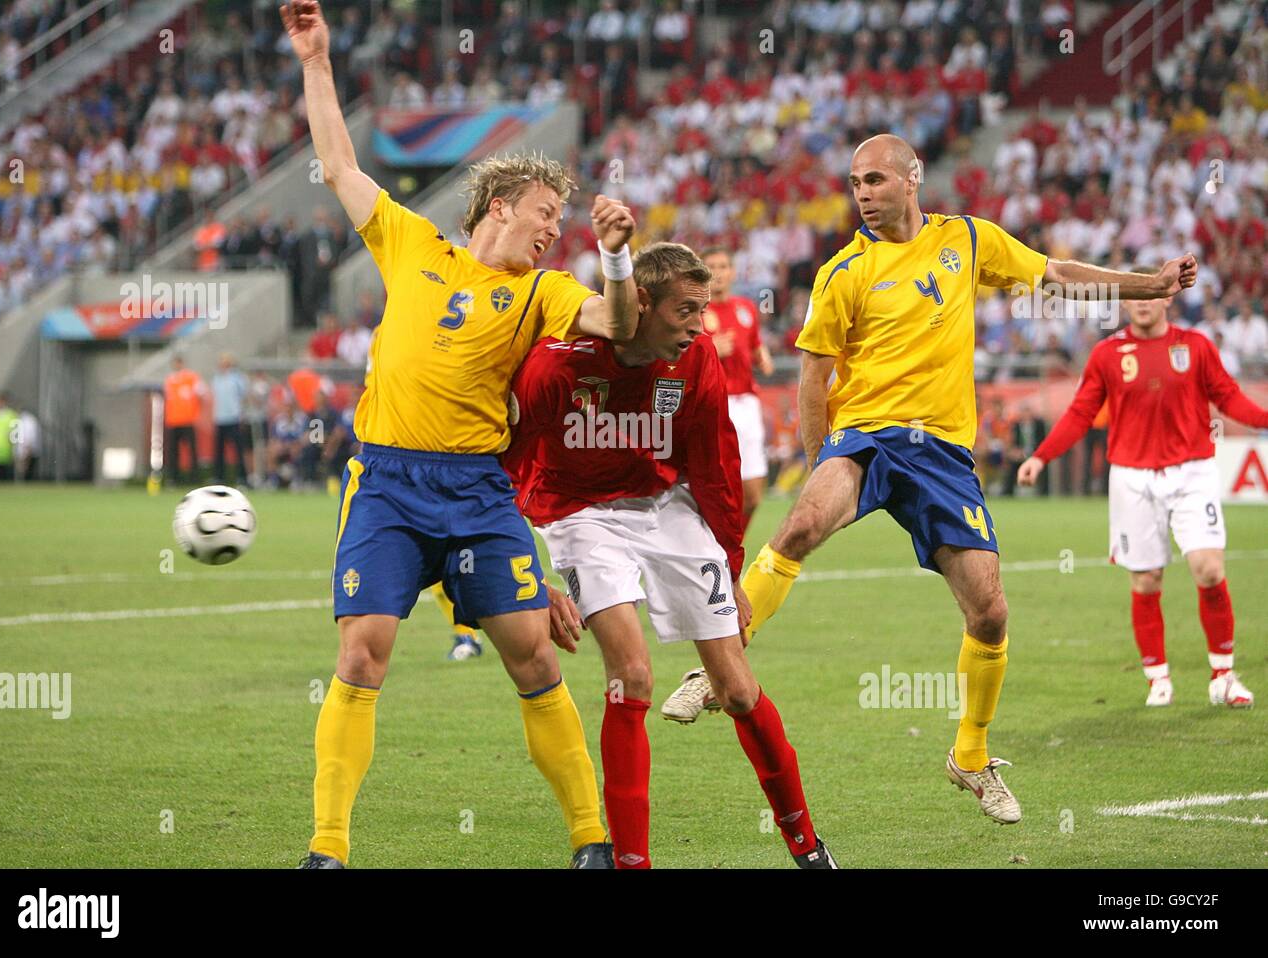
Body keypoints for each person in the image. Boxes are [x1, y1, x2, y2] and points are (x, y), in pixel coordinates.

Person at [664, 134, 1199, 826]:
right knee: (799, 525)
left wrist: (1148, 283)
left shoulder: (967, 241)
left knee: (991, 611)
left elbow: (1056, 276)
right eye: (855, 181)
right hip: (866, 436)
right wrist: (817, 456)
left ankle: (970, 757)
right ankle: (718, 667)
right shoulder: (842, 272)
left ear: (913, 179)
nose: (862, 193)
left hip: (942, 452)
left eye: (876, 179)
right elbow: (815, 374)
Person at [281, 1, 639, 870]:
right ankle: (328, 850)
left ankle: (592, 839)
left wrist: (619, 259)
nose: (557, 226)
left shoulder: (546, 292)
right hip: (390, 483)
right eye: (548, 210)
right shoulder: (412, 244)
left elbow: (619, 325)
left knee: (531, 659)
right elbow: (336, 163)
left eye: (563, 217)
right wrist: (318, 60)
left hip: (477, 491)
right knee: (363, 653)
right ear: (503, 203)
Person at [503, 242, 834, 869]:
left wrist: (731, 568)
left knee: (736, 689)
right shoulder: (556, 365)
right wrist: (528, 569)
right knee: (633, 676)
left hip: (665, 505)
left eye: (703, 310)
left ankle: (808, 846)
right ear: (642, 303)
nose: (698, 325)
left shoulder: (698, 359)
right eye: (686, 310)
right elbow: (505, 469)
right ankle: (633, 863)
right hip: (579, 514)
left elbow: (715, 465)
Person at [1018, 266, 1267, 708]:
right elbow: (1079, 413)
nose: (1144, 300)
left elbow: (1228, 398)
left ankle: (1224, 676)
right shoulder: (1107, 355)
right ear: (1126, 300)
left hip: (1192, 471)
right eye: (1136, 293)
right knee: (1147, 580)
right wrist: (1041, 456)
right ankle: (1157, 678)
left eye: (1153, 292)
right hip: (1132, 477)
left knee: (1209, 569)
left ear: (1169, 297)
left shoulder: (1196, 346)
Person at [701, 246, 775, 529]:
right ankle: (718, 558)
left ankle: (730, 554)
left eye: (723, 267)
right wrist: (710, 349)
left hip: (747, 404)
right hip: (714, 405)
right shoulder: (693, 312)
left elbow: (755, 345)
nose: (717, 273)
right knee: (716, 489)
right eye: (711, 267)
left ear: (732, 272)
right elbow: (675, 359)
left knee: (753, 494)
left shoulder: (746, 309)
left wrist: (762, 355)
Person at [163, 355, 207, 485]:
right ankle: (174, 478)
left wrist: (197, 413)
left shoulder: (191, 378)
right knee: (173, 452)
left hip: (188, 420)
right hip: (173, 420)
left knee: (192, 451)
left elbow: (202, 393)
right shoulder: (169, 380)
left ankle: (194, 477)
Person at [211, 353, 249, 485]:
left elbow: (243, 397)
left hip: (234, 418)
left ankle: (242, 477)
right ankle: (219, 477)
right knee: (219, 451)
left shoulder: (237, 378)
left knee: (238, 450)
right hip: (220, 418)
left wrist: (242, 414)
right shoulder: (216, 379)